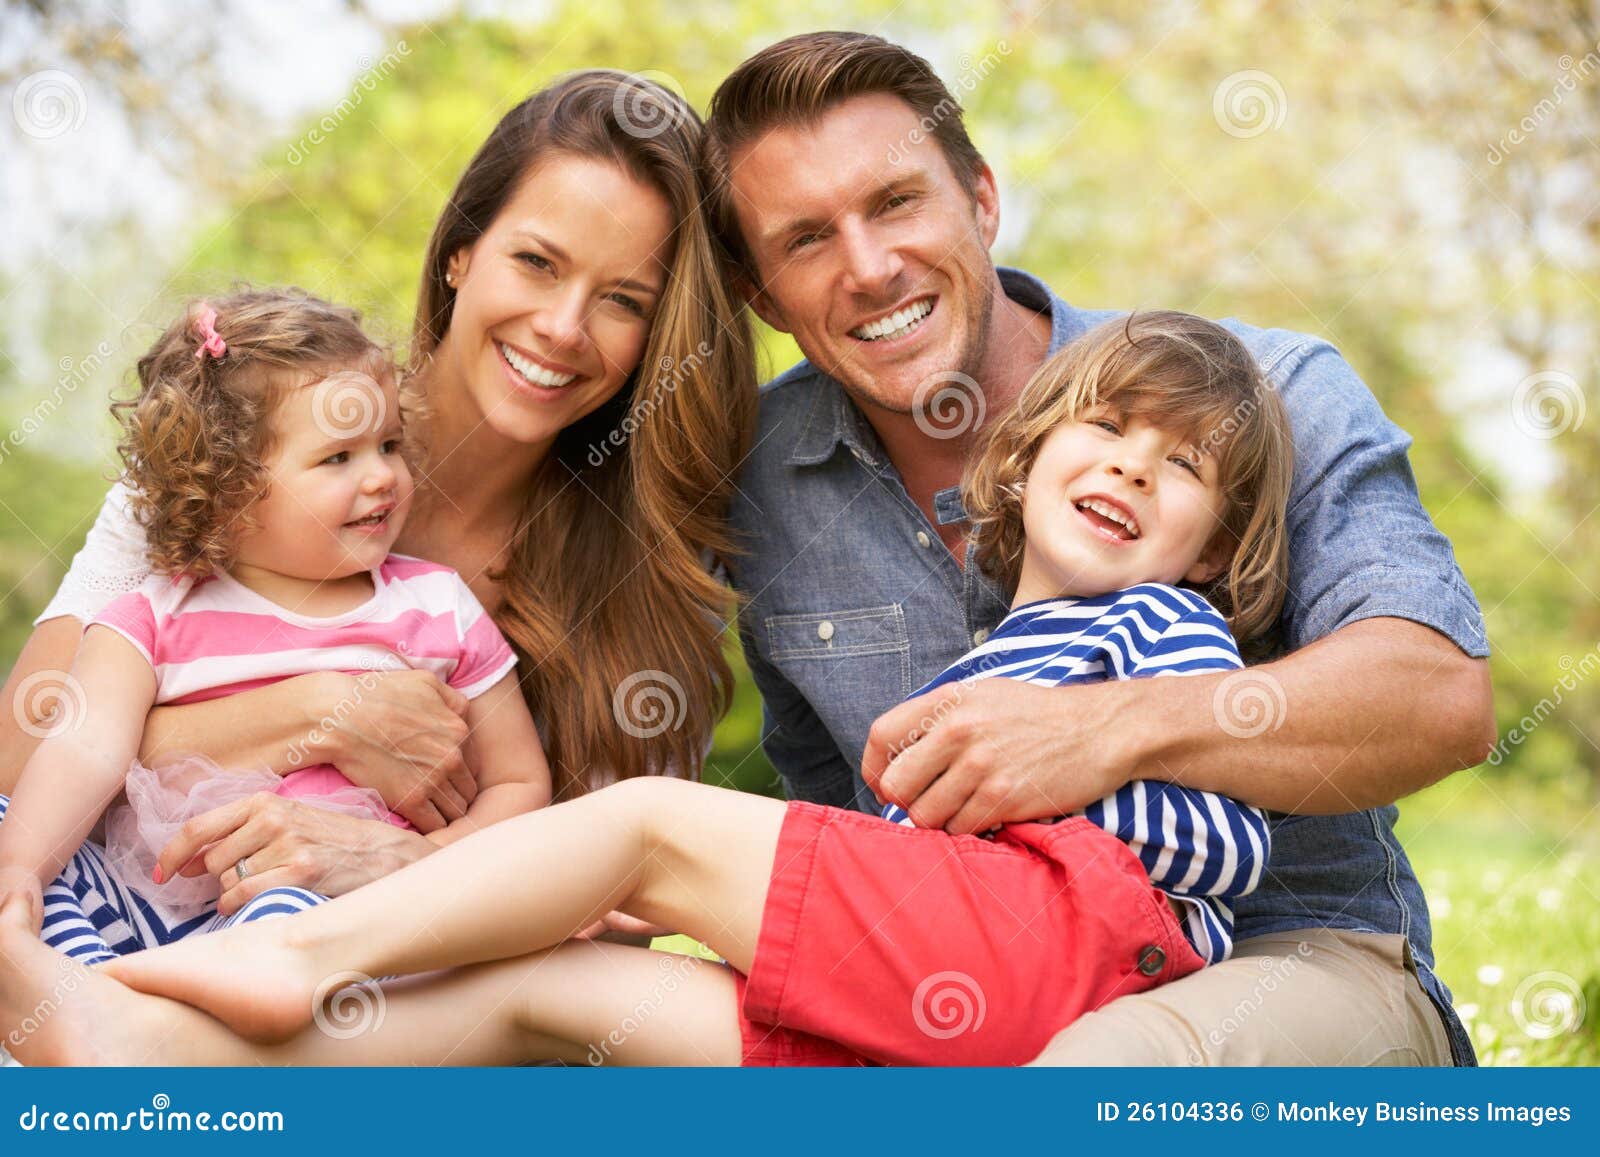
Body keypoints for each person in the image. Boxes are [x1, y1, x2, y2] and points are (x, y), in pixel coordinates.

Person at [0, 306, 1291, 1067]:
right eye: (1107, 432)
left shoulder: (1165, 628)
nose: (1130, 470)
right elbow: (921, 885)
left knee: (637, 829)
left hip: (1074, 954)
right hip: (946, 1012)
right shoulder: (1015, 640)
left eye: (1178, 468)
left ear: (1218, 545)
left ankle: (293, 955)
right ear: (1031, 454)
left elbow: (1217, 841)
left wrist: (1099, 777)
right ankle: (147, 1054)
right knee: (542, 993)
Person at [704, 32, 1493, 1065]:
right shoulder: (758, 485)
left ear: (981, 201)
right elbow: (840, 825)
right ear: (764, 297)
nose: (867, 265)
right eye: (806, 239)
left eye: (896, 202)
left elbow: (1438, 696)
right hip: (972, 989)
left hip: (1291, 963)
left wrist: (1104, 728)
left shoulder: (1270, 391)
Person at [0, 72, 756, 916]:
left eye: (623, 301)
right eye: (537, 263)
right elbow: (18, 764)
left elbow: (627, 914)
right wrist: (322, 711)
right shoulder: (232, 454)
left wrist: (401, 861)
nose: (563, 327)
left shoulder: (651, 565)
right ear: (462, 250)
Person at [0, 288, 548, 963]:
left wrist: (420, 865)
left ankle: (145, 1032)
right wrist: (21, 864)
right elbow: (83, 749)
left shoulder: (438, 606)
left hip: (326, 913)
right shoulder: (152, 615)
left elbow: (520, 785)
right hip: (145, 902)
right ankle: (85, 1013)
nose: (383, 476)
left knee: (287, 914)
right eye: (338, 457)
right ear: (229, 493)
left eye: (389, 444)